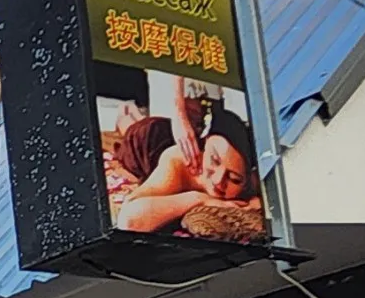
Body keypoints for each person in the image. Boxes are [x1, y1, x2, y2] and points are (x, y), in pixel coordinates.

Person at [106, 91, 260, 233]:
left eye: (234, 179)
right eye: (214, 160)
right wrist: (199, 199)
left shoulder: (251, 182)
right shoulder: (180, 162)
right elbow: (129, 221)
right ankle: (126, 111)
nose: (218, 180)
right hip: (150, 138)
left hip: (170, 138)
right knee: (132, 129)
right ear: (204, 144)